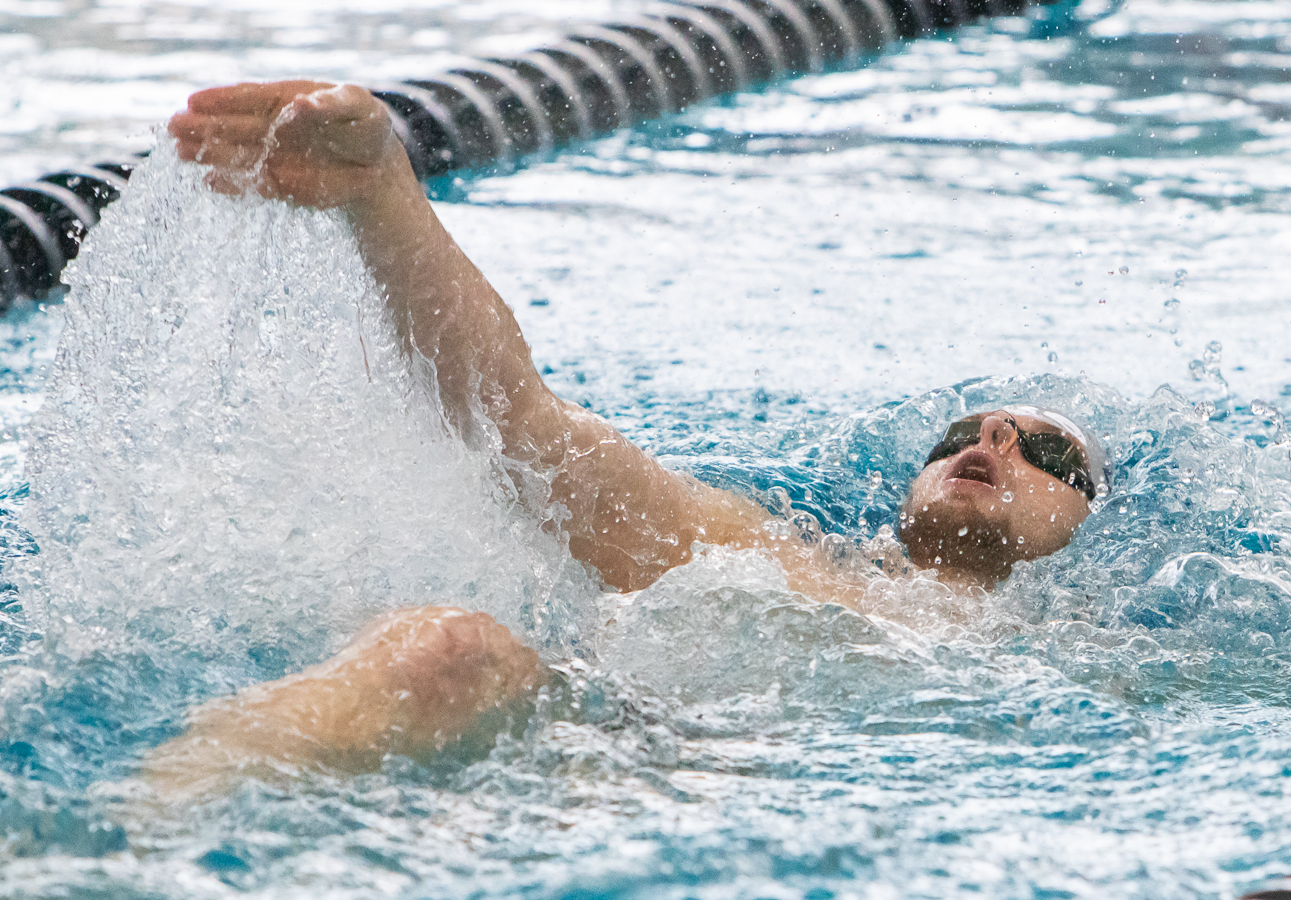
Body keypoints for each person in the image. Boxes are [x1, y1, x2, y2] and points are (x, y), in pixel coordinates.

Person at [144, 80, 1111, 797]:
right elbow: (522, 427)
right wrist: (382, 193)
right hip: (612, 761)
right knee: (442, 648)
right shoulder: (773, 559)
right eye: (964, 431)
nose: (992, 434)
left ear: (1084, 532)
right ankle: (136, 835)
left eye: (1048, 453)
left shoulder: (1095, 667)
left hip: (749, 807)